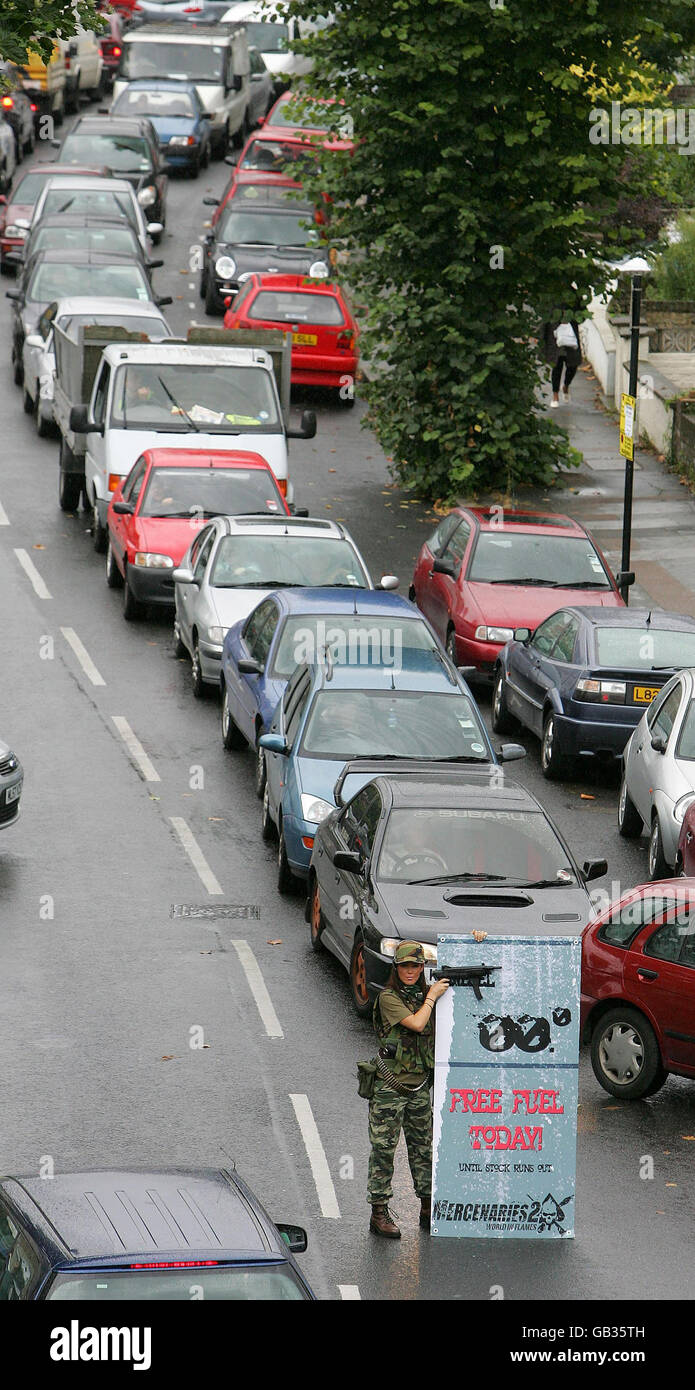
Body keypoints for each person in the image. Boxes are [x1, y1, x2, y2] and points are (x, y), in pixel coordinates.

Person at [367, 942, 450, 1238]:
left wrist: (478, 938)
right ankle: (379, 1213)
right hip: (390, 1088)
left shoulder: (427, 995)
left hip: (419, 1087)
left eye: (415, 966)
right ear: (396, 968)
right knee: (383, 1151)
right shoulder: (390, 997)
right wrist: (431, 998)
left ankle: (427, 1207)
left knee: (423, 1149)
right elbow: (416, 1024)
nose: (410, 971)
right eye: (404, 966)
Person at [543, 307, 582, 407]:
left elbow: (582, 316)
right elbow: (546, 316)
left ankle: (566, 385)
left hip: (570, 337)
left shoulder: (573, 297)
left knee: (573, 366)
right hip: (555, 337)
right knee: (557, 366)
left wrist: (571, 317)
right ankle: (555, 396)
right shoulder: (552, 297)